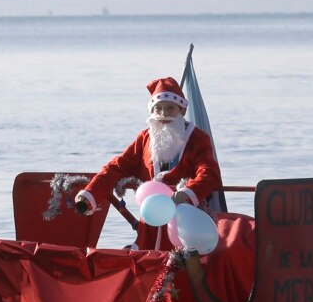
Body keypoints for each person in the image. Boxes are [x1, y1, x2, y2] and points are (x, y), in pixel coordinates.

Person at [74, 76, 223, 250]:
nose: (163, 115)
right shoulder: (145, 138)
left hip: (185, 221)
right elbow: (116, 167)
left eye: (170, 108)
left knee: (182, 264)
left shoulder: (198, 138)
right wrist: (90, 193)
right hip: (150, 221)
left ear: (182, 110)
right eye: (158, 109)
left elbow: (209, 173)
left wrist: (188, 193)